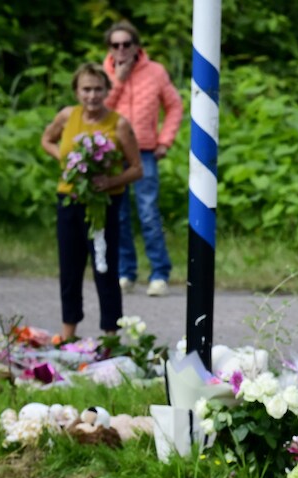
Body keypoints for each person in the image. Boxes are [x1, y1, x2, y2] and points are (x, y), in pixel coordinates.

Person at [41, 63, 142, 340]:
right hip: (70, 200)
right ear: (76, 91)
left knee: (105, 268)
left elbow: (136, 168)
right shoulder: (66, 116)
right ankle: (68, 332)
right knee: (70, 268)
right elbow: (47, 140)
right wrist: (65, 158)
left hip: (104, 204)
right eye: (86, 89)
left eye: (98, 89)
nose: (92, 96)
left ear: (107, 91)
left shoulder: (119, 124)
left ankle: (111, 335)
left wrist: (109, 182)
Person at [102, 20, 182, 298]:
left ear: (136, 47)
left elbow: (174, 106)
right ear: (110, 48)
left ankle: (159, 274)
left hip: (146, 151)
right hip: (113, 152)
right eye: (115, 45)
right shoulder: (105, 73)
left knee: (148, 213)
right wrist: (118, 81)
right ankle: (126, 272)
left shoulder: (155, 72)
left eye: (127, 44)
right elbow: (100, 110)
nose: (121, 49)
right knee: (119, 215)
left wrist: (165, 141)